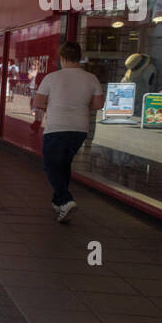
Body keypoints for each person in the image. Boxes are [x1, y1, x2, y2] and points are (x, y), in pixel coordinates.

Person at [30, 41, 104, 223]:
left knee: (51, 165)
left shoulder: (52, 78)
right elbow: (98, 105)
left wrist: (54, 107)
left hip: (56, 127)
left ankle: (65, 200)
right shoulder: (91, 78)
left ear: (62, 58)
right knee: (64, 164)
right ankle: (58, 202)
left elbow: (38, 103)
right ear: (79, 58)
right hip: (79, 129)